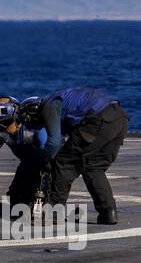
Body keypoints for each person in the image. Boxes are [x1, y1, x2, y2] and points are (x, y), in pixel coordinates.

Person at [15, 88, 128, 225]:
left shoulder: (48, 105)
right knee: (94, 168)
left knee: (64, 164)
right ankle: (108, 213)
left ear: (32, 112)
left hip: (97, 119)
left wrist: (44, 160)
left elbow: (54, 142)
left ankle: (53, 213)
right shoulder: (60, 103)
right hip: (119, 118)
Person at [0, 95, 51, 211]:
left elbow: (46, 149)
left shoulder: (34, 128)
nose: (4, 127)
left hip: (46, 166)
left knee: (44, 199)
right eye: (0, 124)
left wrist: (46, 169)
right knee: (16, 201)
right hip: (26, 165)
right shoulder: (2, 133)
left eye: (7, 123)